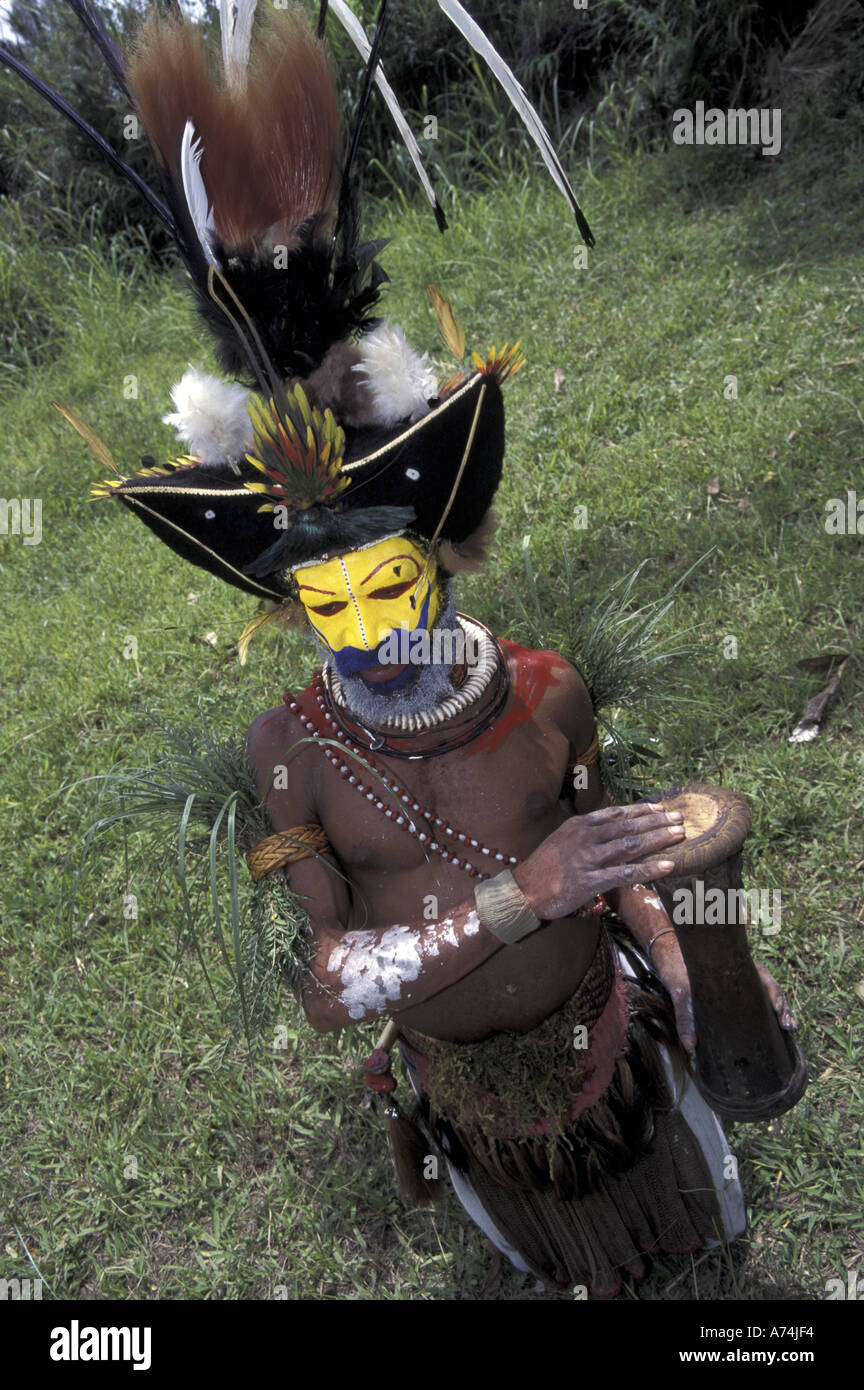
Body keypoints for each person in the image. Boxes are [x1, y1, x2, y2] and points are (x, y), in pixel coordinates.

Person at [10, 1, 794, 1296]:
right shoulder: (294, 756)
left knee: (696, 1233)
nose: (369, 634)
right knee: (546, 1264)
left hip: (602, 1049)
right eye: (329, 605)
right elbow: (331, 982)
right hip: (471, 1095)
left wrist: (679, 957)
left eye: (388, 585)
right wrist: (516, 897)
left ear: (441, 557)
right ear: (285, 608)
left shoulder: (543, 690)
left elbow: (607, 861)